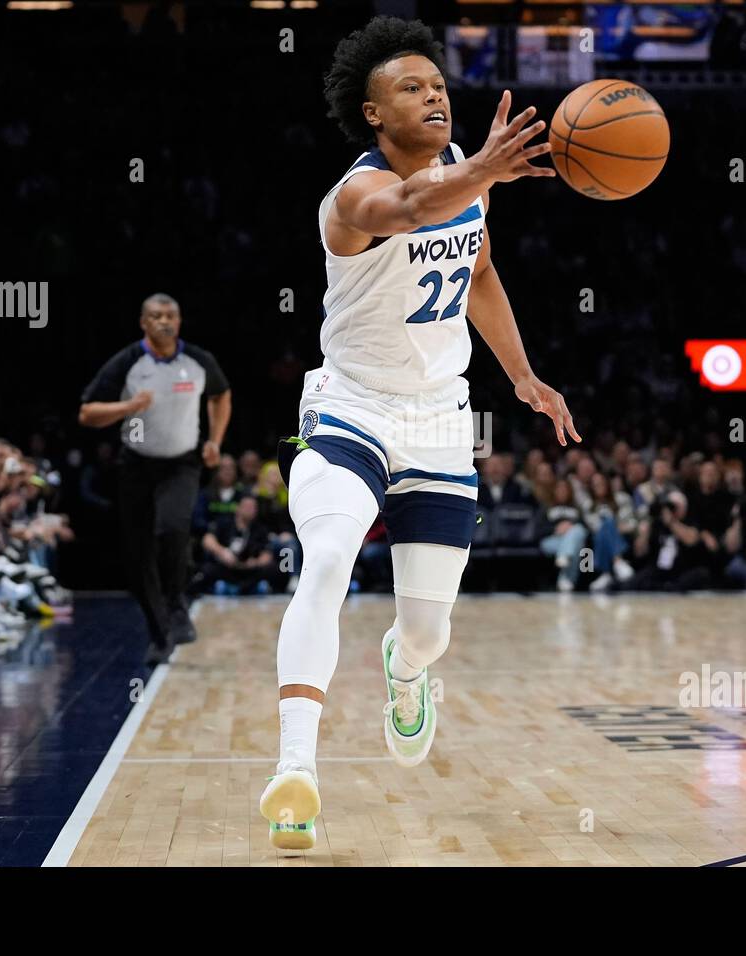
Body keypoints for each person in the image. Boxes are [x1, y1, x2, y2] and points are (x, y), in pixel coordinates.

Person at [259, 16, 577, 851]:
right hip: (350, 405)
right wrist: (481, 171)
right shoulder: (352, 196)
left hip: (441, 419)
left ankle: (405, 669)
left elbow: (477, 272)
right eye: (412, 86)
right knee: (327, 559)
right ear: (373, 113)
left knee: (429, 632)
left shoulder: (467, 177)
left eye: (439, 84)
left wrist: (522, 376)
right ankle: (296, 769)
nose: (434, 93)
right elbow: (411, 205)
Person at [78, 293, 232, 664]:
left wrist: (214, 440)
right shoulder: (128, 362)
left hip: (182, 463)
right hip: (136, 466)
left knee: (173, 528)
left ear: (179, 321)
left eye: (171, 315)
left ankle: (177, 604)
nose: (165, 321)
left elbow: (221, 395)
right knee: (137, 556)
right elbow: (87, 413)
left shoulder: (198, 360)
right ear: (144, 323)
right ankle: (159, 634)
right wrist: (127, 407)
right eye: (156, 316)